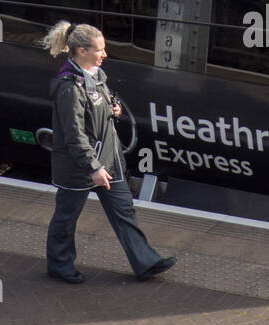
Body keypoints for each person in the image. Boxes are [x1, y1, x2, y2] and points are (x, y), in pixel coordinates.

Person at [40, 21, 176, 284]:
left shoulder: (95, 75)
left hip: (109, 161)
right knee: (67, 217)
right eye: (99, 50)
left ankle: (146, 262)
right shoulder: (69, 88)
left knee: (124, 211)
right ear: (81, 51)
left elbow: (101, 102)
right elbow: (74, 134)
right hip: (81, 167)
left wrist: (114, 108)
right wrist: (93, 168)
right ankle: (59, 265)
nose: (105, 54)